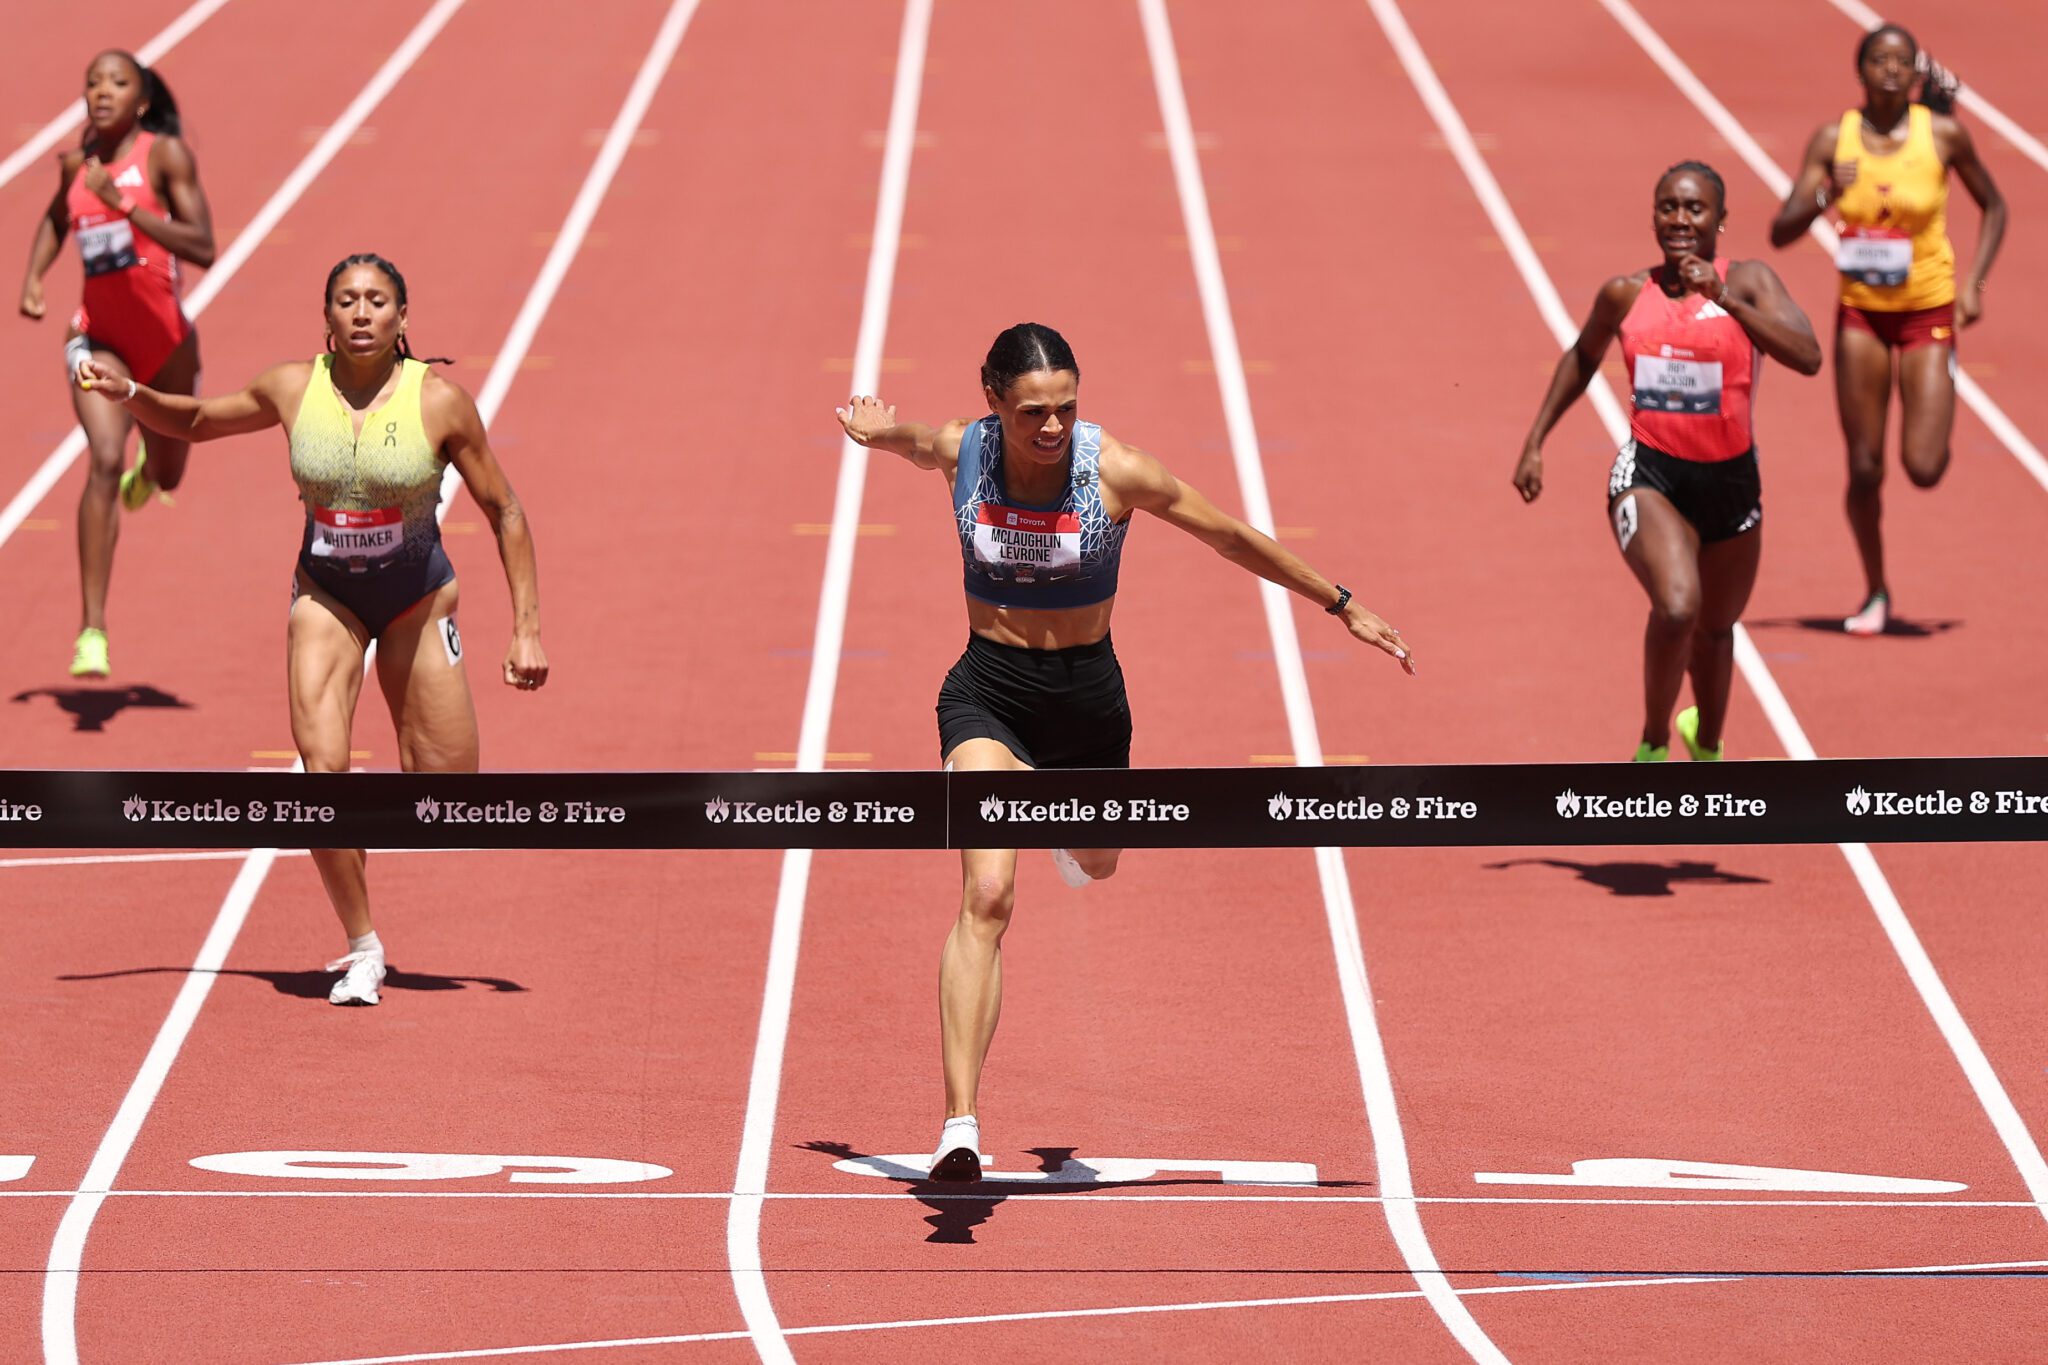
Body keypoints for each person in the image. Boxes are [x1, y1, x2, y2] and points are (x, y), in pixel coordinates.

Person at [835, 322, 1414, 1181]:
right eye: (1033, 411)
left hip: (1087, 705)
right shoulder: (966, 449)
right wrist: (880, 431)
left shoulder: (1115, 470)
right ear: (993, 402)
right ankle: (960, 1123)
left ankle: (1076, 840)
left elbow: (1228, 535)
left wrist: (1341, 603)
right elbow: (917, 443)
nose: (1052, 429)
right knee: (987, 893)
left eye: (1066, 408)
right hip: (987, 691)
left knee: (1099, 861)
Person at [78, 253, 547, 1005]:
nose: (361, 313)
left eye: (377, 302)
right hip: (326, 596)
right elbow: (197, 420)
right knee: (320, 777)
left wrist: (526, 627)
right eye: (347, 301)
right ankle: (364, 947)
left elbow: (506, 509)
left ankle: (366, 811)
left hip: (416, 600)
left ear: (402, 320)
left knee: (448, 797)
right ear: (326, 316)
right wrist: (131, 393)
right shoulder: (293, 387)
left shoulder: (441, 402)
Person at [1515, 162, 1819, 761]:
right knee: (1680, 606)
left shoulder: (1750, 280)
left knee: (1715, 630)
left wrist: (1724, 298)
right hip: (1650, 476)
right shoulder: (1626, 293)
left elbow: (1807, 355)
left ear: (1721, 221)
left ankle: (1703, 745)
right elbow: (1581, 357)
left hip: (1732, 484)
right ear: (1653, 215)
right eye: (1668, 207)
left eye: (1695, 208)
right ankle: (1654, 741)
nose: (1680, 219)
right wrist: (1535, 440)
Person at [1770, 25, 2006, 636]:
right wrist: (1827, 191)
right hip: (1862, 316)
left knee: (1923, 467)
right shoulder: (1834, 139)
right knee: (1865, 467)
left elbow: (1996, 206)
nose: (1893, 70)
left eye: (1905, 61)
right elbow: (1781, 230)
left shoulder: (1944, 135)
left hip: (1928, 310)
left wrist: (1974, 287)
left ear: (1915, 74)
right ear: (1862, 71)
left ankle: (1940, 396)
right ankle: (1875, 589)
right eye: (1881, 60)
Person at [18, 50, 215, 677]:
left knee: (170, 474)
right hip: (97, 338)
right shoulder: (77, 164)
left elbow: (205, 246)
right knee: (101, 459)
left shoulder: (164, 156)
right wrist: (33, 277)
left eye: (117, 82)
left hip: (167, 347)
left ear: (143, 99)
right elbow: (56, 217)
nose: (102, 91)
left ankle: (148, 475)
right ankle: (92, 630)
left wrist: (128, 208)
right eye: (93, 82)